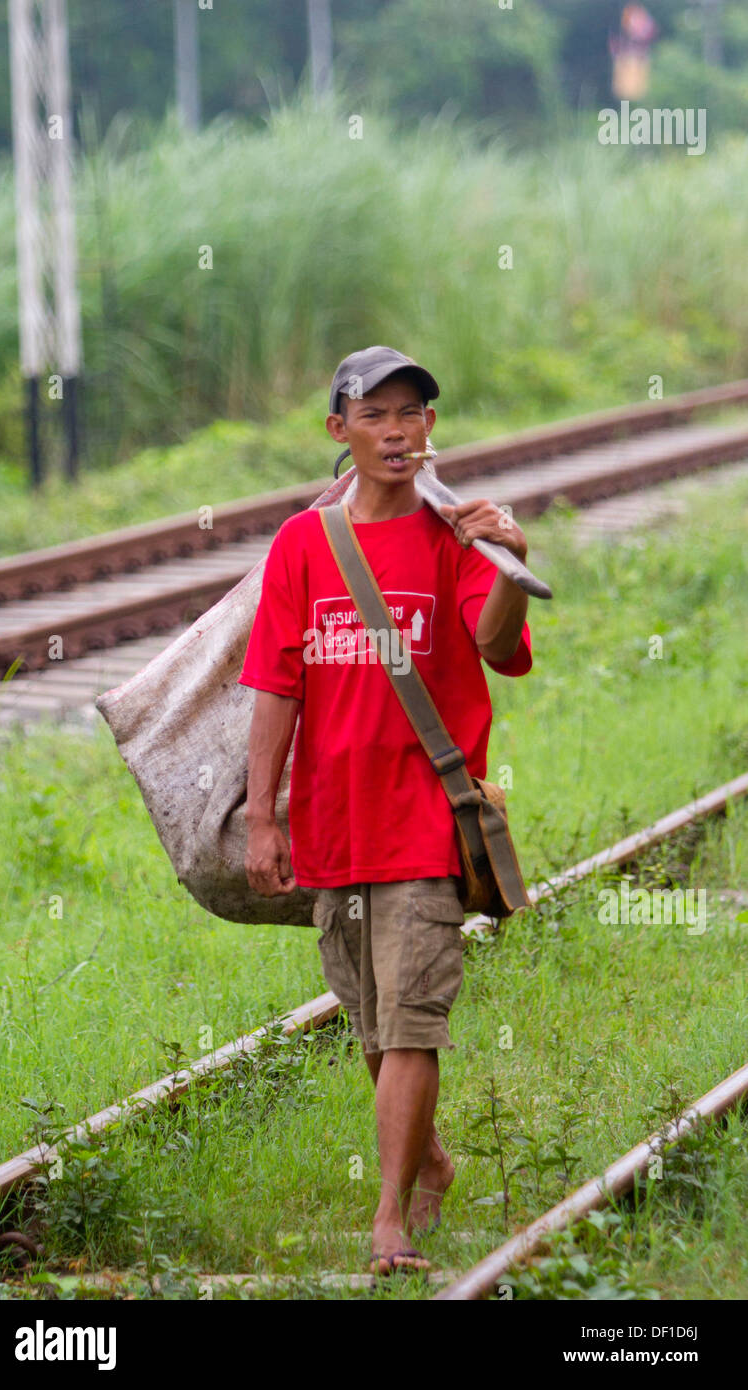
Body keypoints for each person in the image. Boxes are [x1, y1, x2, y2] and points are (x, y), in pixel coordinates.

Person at [239, 346, 532, 1278]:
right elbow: (275, 686)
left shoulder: (457, 537)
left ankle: (389, 1219)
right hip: (333, 819)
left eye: (413, 413)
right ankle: (433, 1160)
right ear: (341, 432)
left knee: (410, 1021)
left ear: (430, 429)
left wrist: (512, 565)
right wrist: (261, 817)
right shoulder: (302, 545)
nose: (398, 429)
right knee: (368, 1020)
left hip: (425, 819)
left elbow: (496, 647)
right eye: (375, 415)